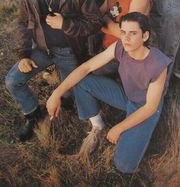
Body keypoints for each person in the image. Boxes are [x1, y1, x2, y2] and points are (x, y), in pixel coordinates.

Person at [47, 12, 171, 174]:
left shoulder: (158, 63)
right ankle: (97, 125)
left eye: (133, 33)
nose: (126, 38)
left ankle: (135, 137)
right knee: (82, 81)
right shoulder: (120, 46)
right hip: (126, 95)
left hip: (144, 106)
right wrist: (56, 93)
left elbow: (150, 107)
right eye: (123, 32)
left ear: (145, 35)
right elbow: (86, 68)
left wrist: (118, 128)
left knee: (123, 166)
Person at [5, 0, 102, 142]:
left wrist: (65, 24)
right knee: (12, 81)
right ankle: (33, 114)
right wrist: (23, 55)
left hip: (69, 51)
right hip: (42, 49)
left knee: (74, 96)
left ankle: (67, 101)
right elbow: (23, 23)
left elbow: (95, 23)